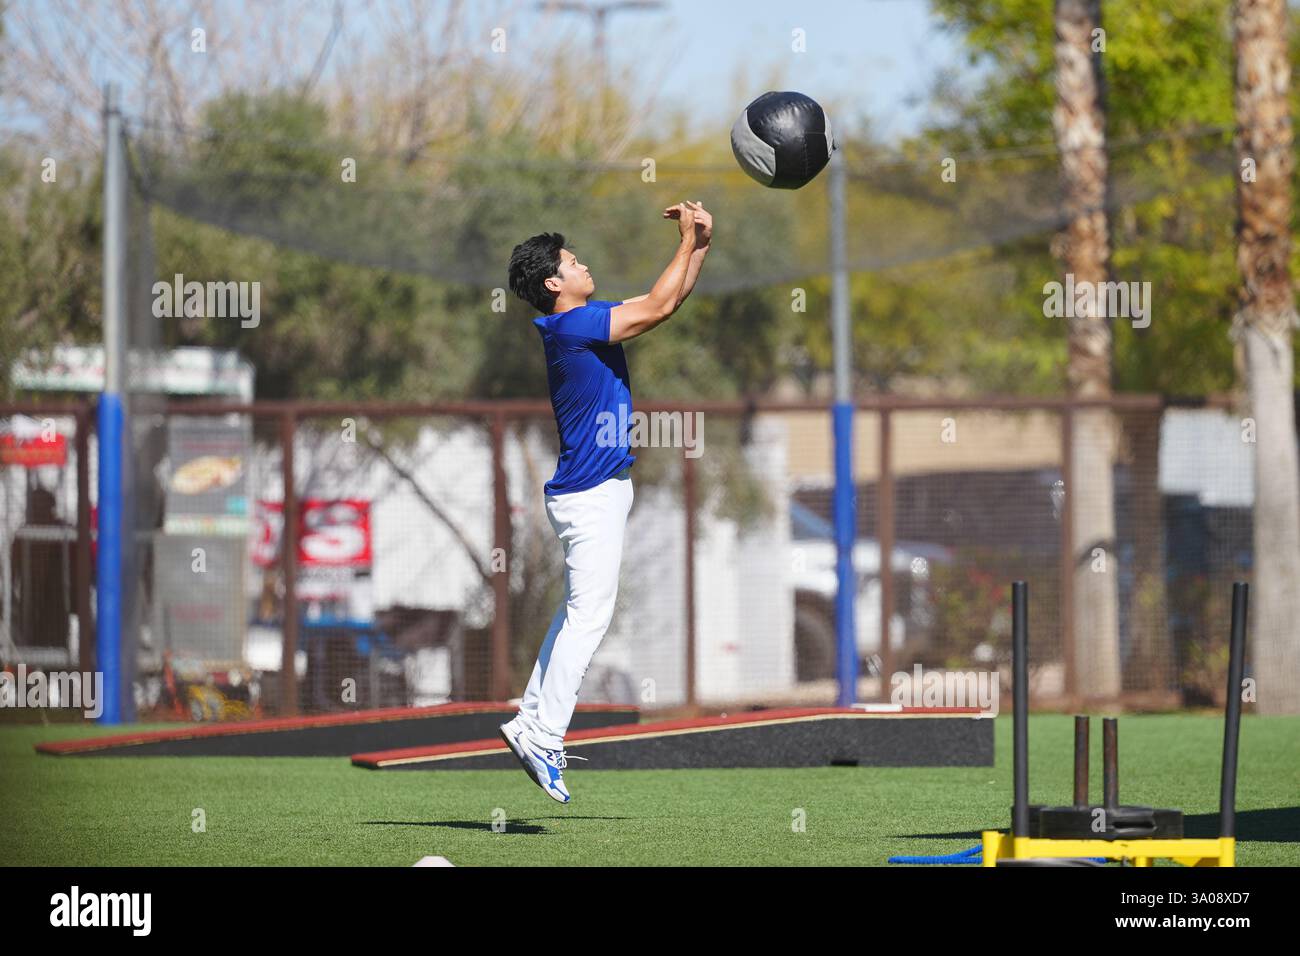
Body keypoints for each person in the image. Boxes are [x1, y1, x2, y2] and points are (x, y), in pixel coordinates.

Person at [499, 200, 713, 802]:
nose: (582, 264)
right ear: (552, 283)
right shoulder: (573, 328)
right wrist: (686, 240)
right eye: (571, 262)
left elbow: (666, 303)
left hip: (594, 493)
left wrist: (699, 245)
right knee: (589, 617)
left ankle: (530, 719)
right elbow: (658, 305)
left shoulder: (583, 320)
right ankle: (544, 734)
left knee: (578, 614)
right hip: (590, 496)